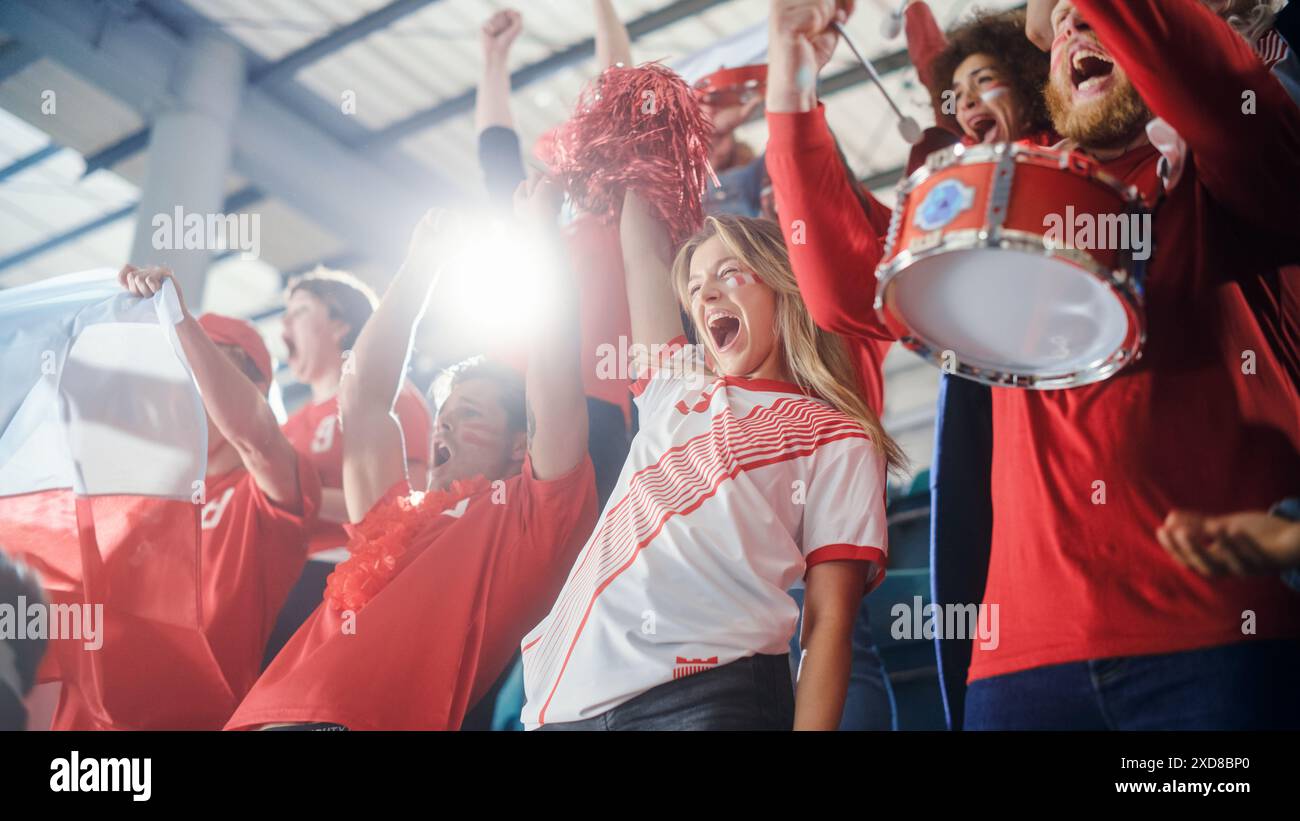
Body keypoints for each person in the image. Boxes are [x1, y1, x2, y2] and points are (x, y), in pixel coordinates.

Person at [767, 0, 1300, 730]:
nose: (1075, 28)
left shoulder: (1230, 164)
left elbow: (1209, 73)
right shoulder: (1022, 204)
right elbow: (843, 294)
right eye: (1060, 28)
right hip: (1021, 671)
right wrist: (791, 80)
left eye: (1096, 16)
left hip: (1217, 645)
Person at [520, 183, 900, 730]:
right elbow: (642, 255)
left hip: (703, 696)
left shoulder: (839, 436)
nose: (706, 297)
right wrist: (637, 141)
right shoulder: (676, 391)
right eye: (696, 287)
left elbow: (828, 623)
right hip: (563, 706)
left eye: (730, 275)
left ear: (785, 288)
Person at [225, 180, 598, 731]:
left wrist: (542, 237)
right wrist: (422, 262)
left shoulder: (534, 518)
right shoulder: (396, 515)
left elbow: (555, 375)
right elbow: (364, 397)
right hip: (256, 720)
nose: (443, 420)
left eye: (470, 413)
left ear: (521, 444)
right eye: (444, 411)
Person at [47, 267, 321, 729]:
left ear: (252, 387)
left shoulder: (264, 493)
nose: (176, 380)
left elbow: (254, 437)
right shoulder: (141, 498)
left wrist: (180, 322)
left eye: (190, 363)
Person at [475, 5, 632, 509]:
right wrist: (493, 60)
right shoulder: (533, 226)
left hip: (591, 411)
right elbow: (497, 156)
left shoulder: (622, 221)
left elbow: (618, 89)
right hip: (509, 405)